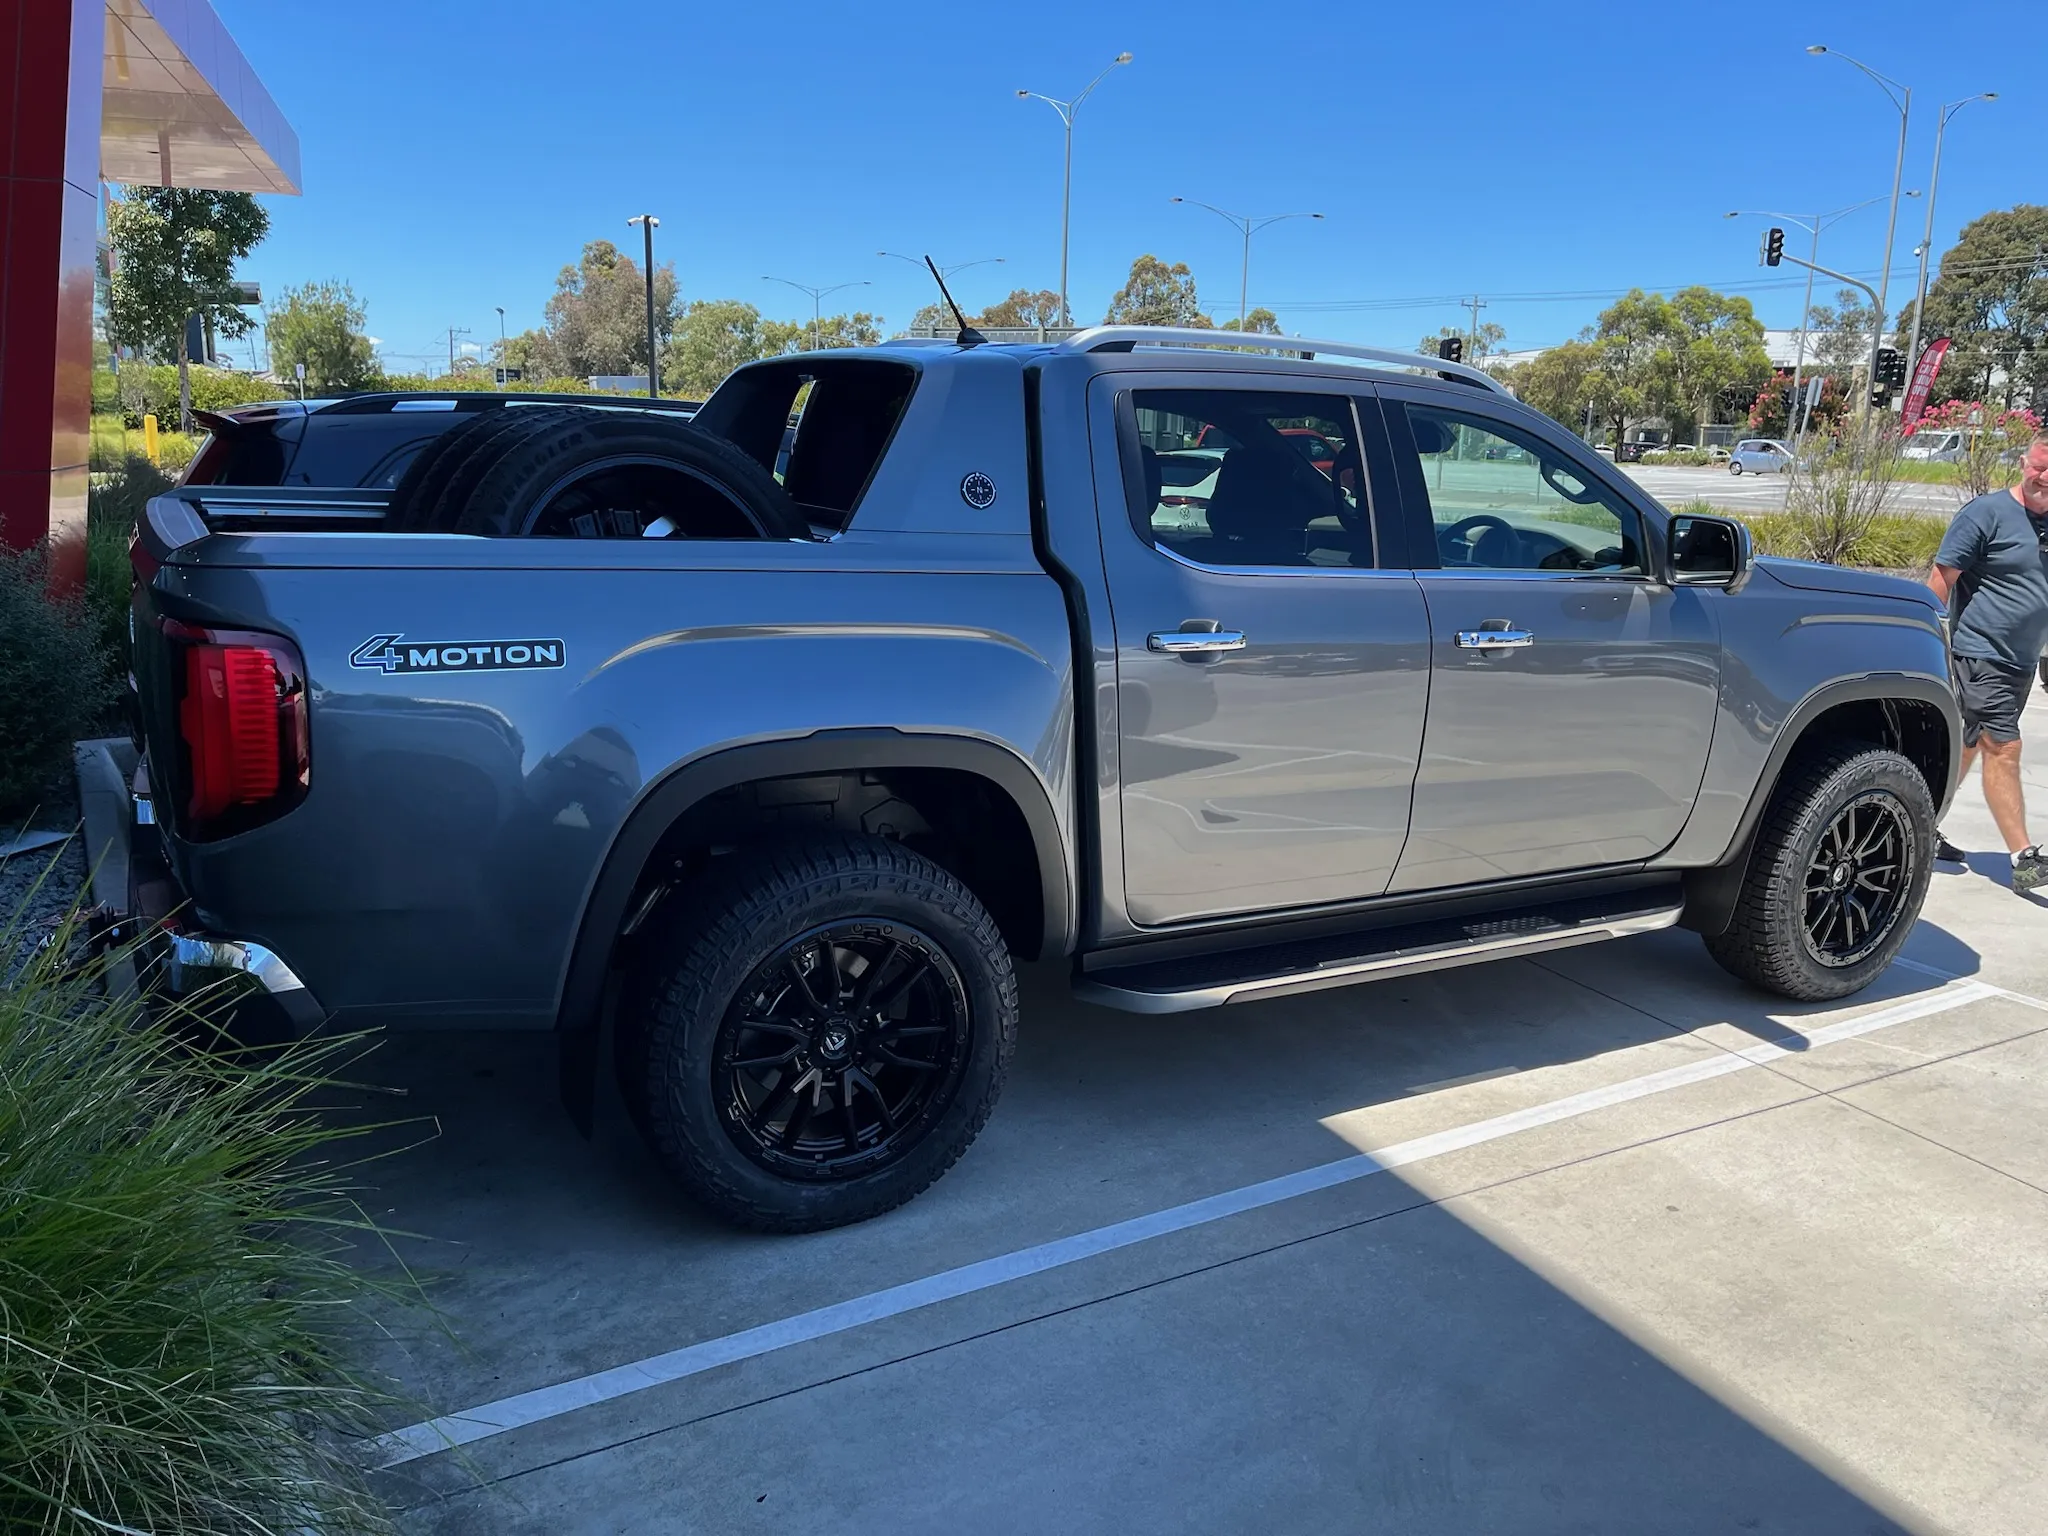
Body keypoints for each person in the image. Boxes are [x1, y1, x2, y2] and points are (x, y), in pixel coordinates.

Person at [1928, 431, 2048, 892]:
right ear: (2023, 462)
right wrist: (1926, 642)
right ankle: (2024, 858)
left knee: (1968, 745)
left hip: (2020, 662)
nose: (2043, 478)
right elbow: (1941, 579)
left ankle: (1923, 821)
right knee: (2003, 747)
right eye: (2038, 467)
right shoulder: (1986, 514)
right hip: (1979, 654)